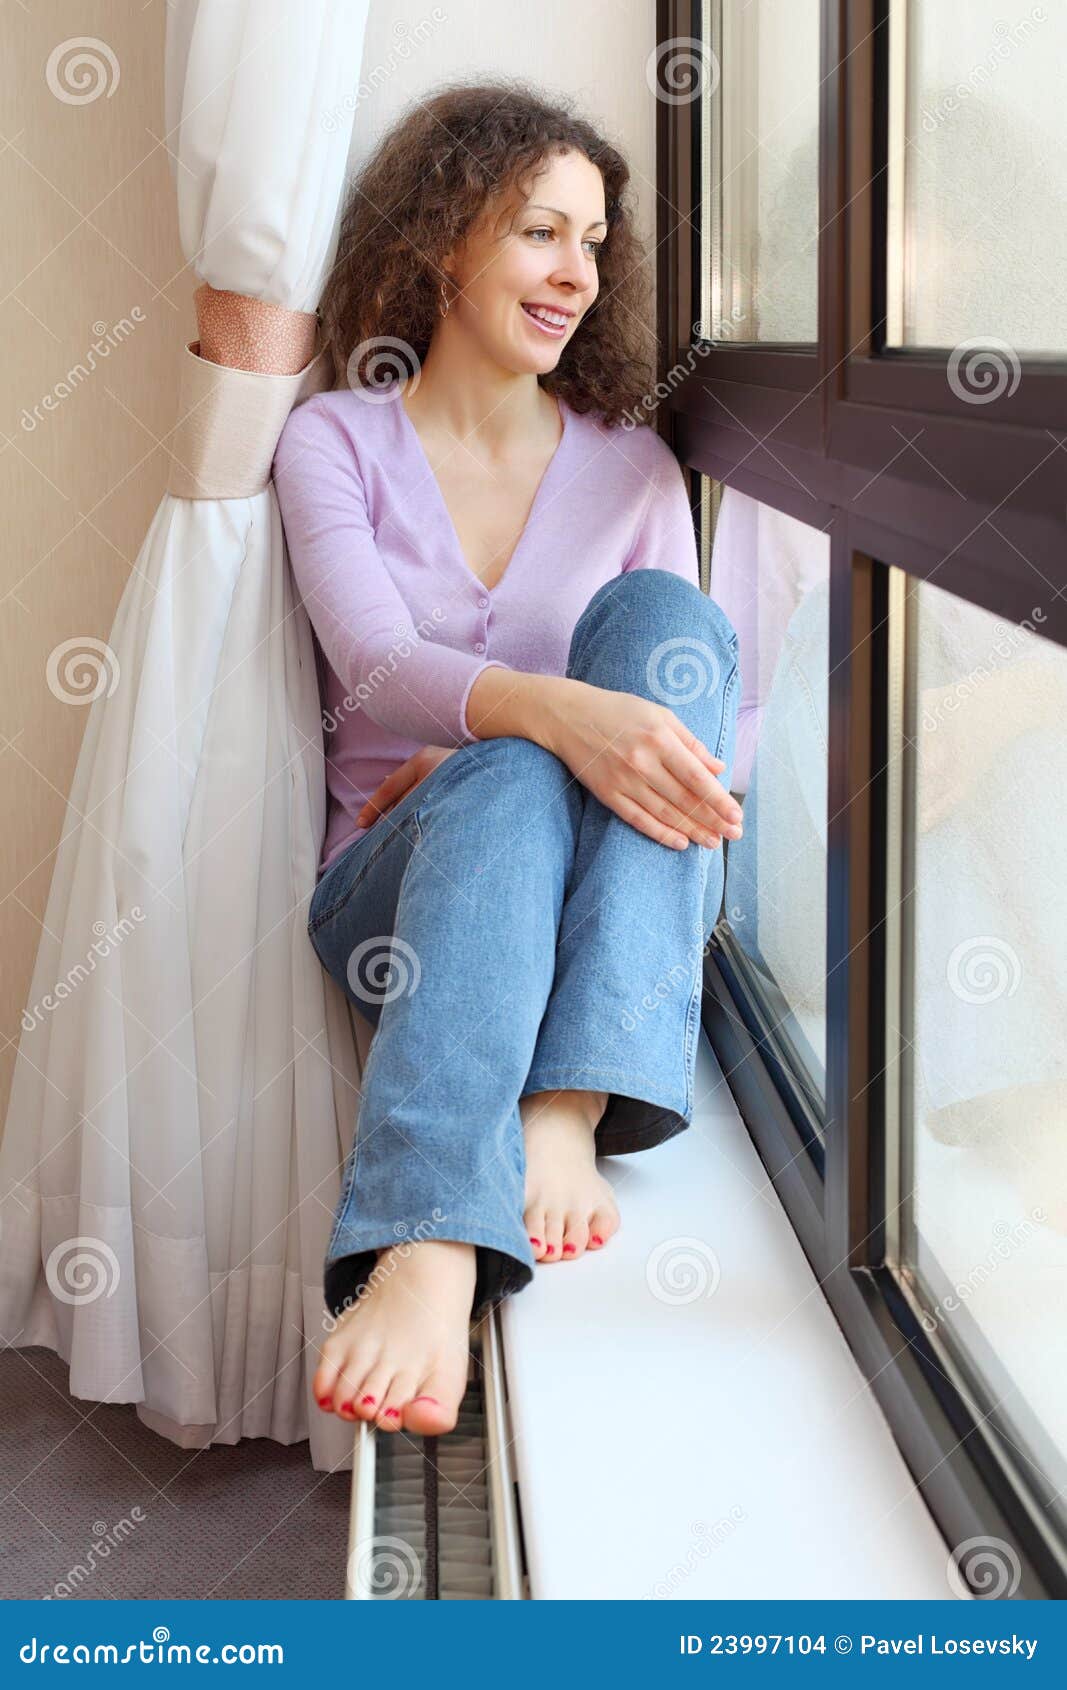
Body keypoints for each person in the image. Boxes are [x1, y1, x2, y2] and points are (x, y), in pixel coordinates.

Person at [271, 81, 742, 1441]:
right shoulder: (335, 438)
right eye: (542, 232)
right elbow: (373, 663)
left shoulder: (635, 467)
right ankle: (424, 1237)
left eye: (593, 242)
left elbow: (681, 745)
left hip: (596, 899)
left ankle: (568, 1101)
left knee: (666, 626)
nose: (578, 273)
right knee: (515, 774)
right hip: (395, 891)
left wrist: (522, 739)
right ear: (443, 240)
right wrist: (543, 722)